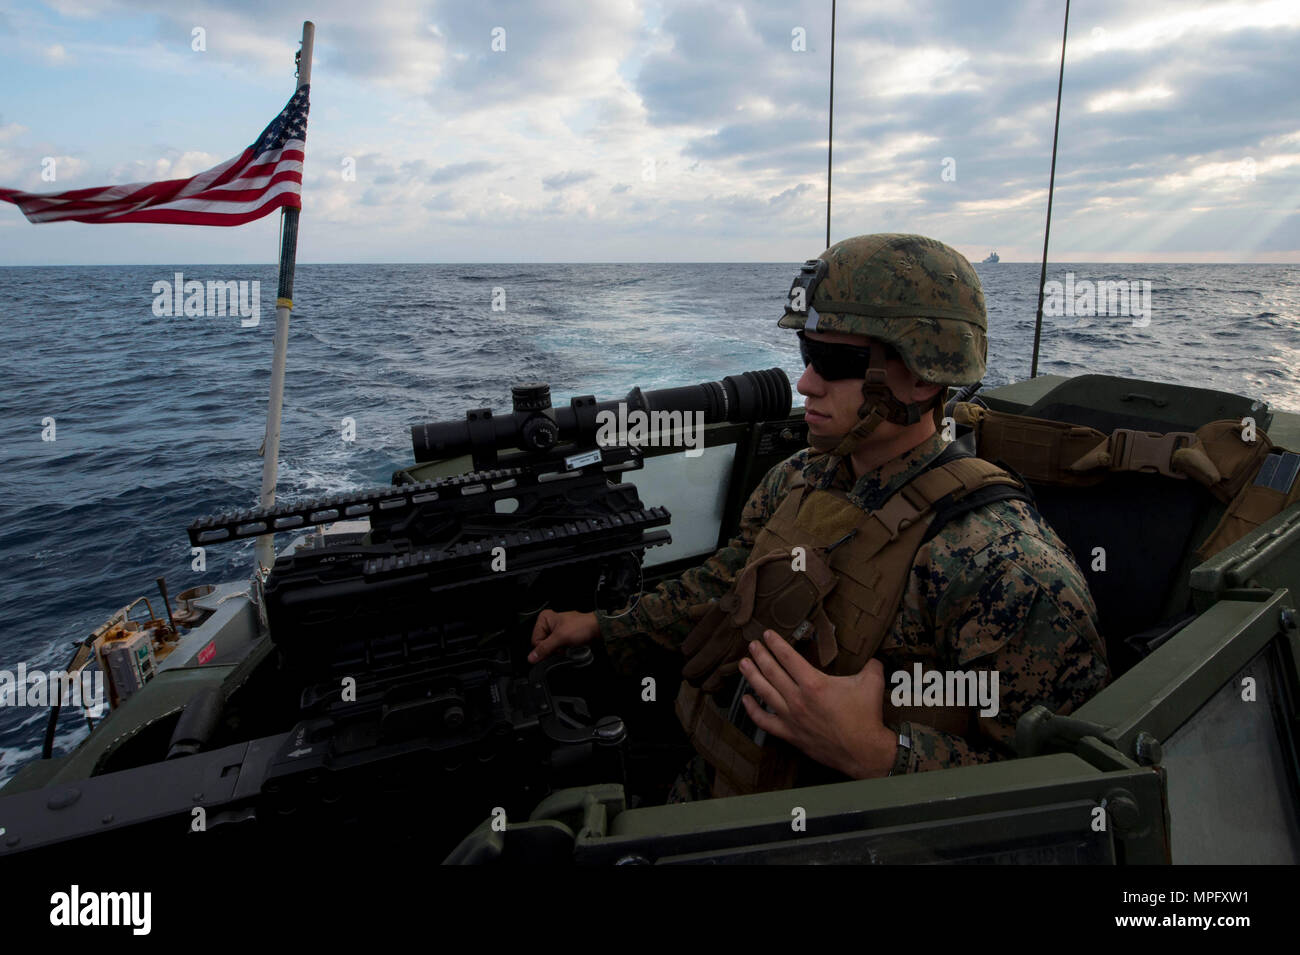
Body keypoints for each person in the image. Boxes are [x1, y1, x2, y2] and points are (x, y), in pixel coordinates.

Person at [530, 233, 1109, 799]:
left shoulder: (1004, 566)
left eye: (835, 361)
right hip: (721, 783)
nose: (806, 383)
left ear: (924, 373)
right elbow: (727, 582)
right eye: (809, 354)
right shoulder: (802, 475)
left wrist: (876, 755)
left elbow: (1066, 791)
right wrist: (606, 628)